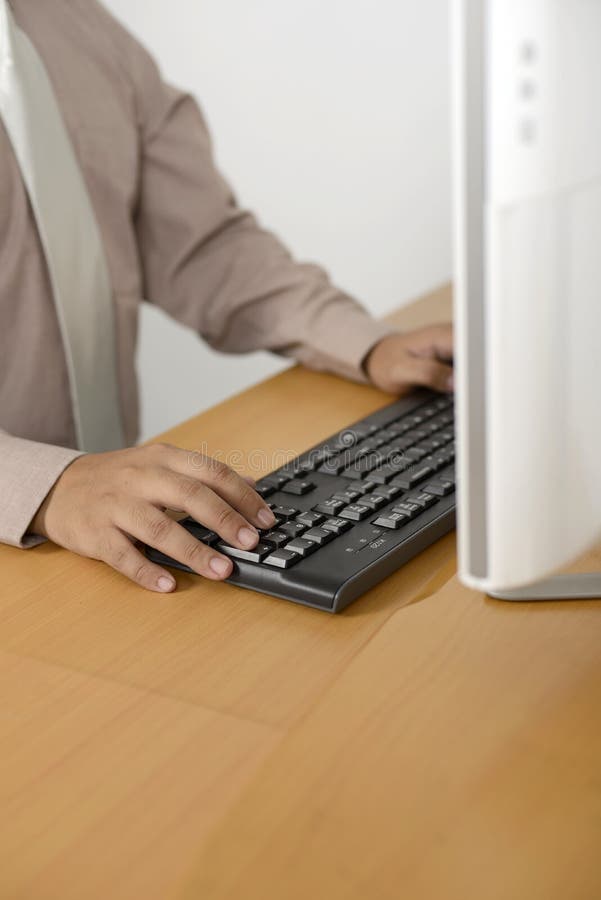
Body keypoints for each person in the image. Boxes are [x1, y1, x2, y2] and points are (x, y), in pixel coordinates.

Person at [0, 0, 453, 593]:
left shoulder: (77, 27)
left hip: (105, 543)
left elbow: (204, 247)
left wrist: (367, 345)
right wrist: (46, 484)